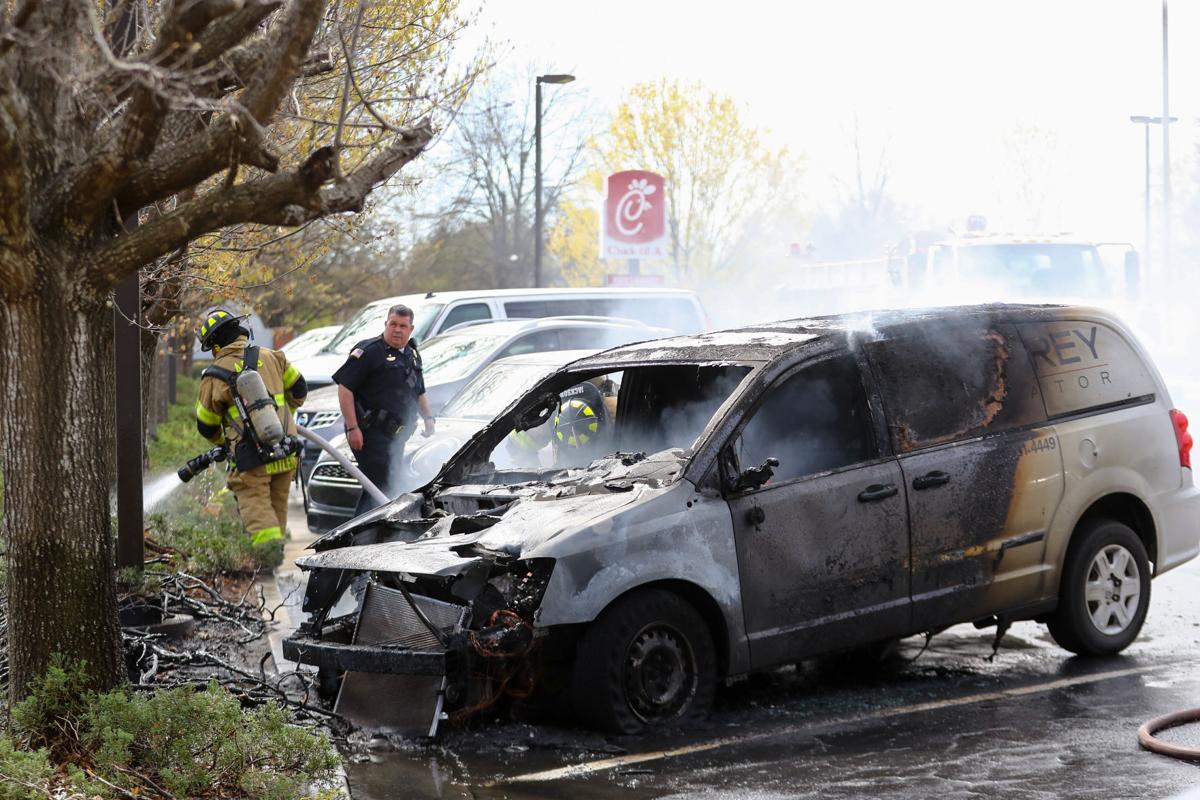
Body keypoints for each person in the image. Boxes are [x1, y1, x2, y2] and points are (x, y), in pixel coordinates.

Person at [193, 308, 307, 562]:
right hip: (286, 450)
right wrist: (280, 417)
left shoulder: (214, 375)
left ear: (216, 344)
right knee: (277, 506)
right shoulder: (273, 357)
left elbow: (206, 425)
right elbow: (299, 390)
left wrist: (224, 443)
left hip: (252, 459)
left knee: (257, 511)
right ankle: (275, 555)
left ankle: (268, 561)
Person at [333, 304, 435, 514]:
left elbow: (419, 390)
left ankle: (367, 532)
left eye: (403, 326)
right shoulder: (369, 351)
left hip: (397, 435)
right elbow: (345, 388)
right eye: (393, 324)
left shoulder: (412, 354)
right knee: (381, 485)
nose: (397, 330)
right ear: (386, 324)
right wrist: (353, 428)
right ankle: (357, 535)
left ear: (411, 329)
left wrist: (428, 417)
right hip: (370, 433)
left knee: (383, 486)